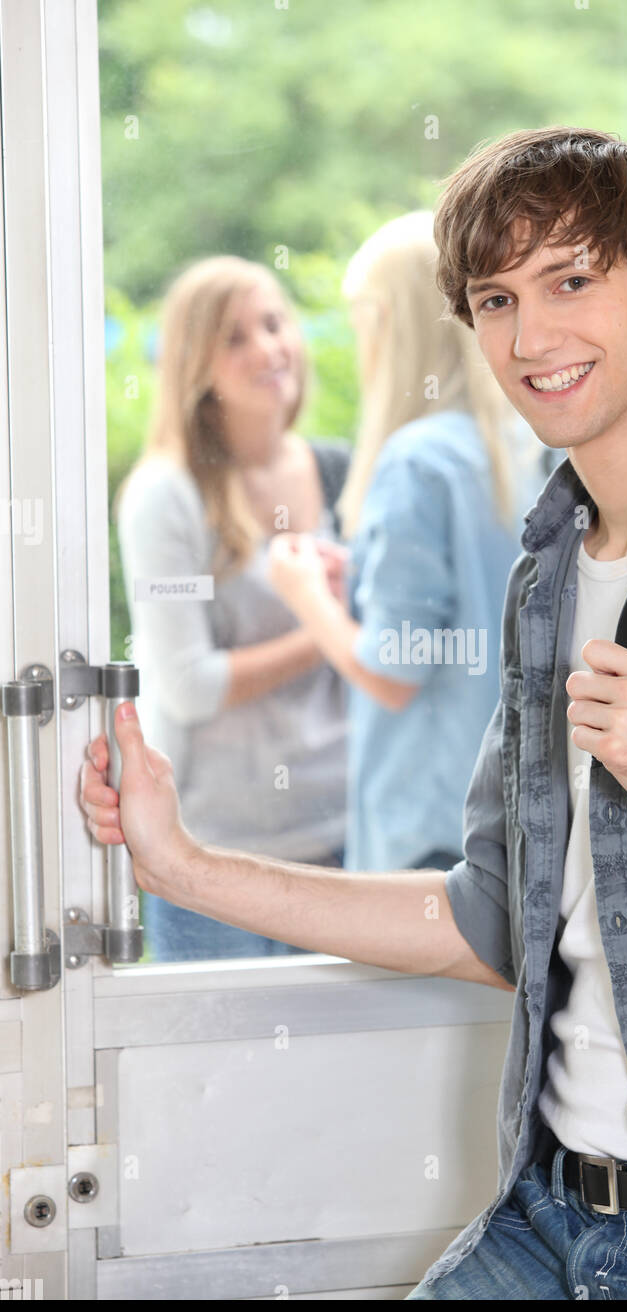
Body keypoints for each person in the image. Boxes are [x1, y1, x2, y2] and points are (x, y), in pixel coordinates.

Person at [80, 127, 627, 1300]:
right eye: (494, 298)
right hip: (544, 1211)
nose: (528, 337)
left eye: (569, 280)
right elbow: (481, 920)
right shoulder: (542, 576)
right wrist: (181, 865)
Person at [266, 211, 541, 873]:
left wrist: (310, 600)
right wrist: (360, 578)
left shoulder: (414, 464)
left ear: (393, 324)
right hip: (507, 820)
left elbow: (392, 676)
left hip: (423, 836)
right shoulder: (522, 447)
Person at [114, 255, 349, 961]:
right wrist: (323, 628)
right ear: (197, 367)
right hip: (212, 863)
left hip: (346, 844)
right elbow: (188, 685)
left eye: (275, 323)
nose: (268, 348)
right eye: (235, 337)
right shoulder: (167, 497)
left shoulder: (337, 470)